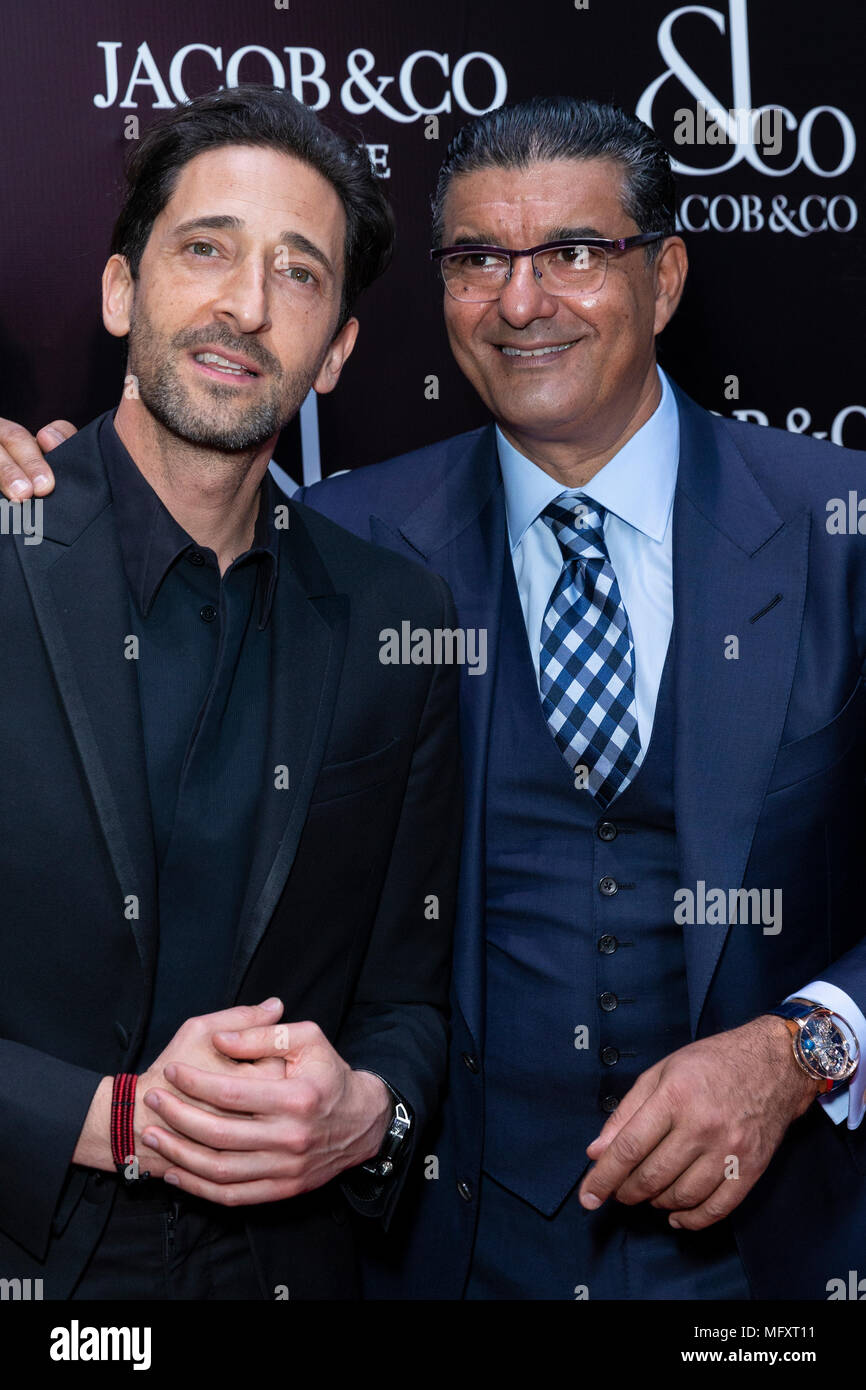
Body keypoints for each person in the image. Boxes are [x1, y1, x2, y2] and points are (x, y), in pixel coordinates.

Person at [4, 95, 865, 1302]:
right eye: (476, 261)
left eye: (573, 253)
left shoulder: (841, 527)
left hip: (776, 1261)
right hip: (445, 1260)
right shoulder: (348, 538)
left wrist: (805, 1046)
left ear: (663, 280)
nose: (521, 303)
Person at [0, 84, 461, 1301]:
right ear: (119, 290)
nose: (244, 307)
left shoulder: (395, 621)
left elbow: (408, 996)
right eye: (205, 248)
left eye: (298, 274)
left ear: (338, 352)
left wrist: (368, 1110)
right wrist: (103, 1118)